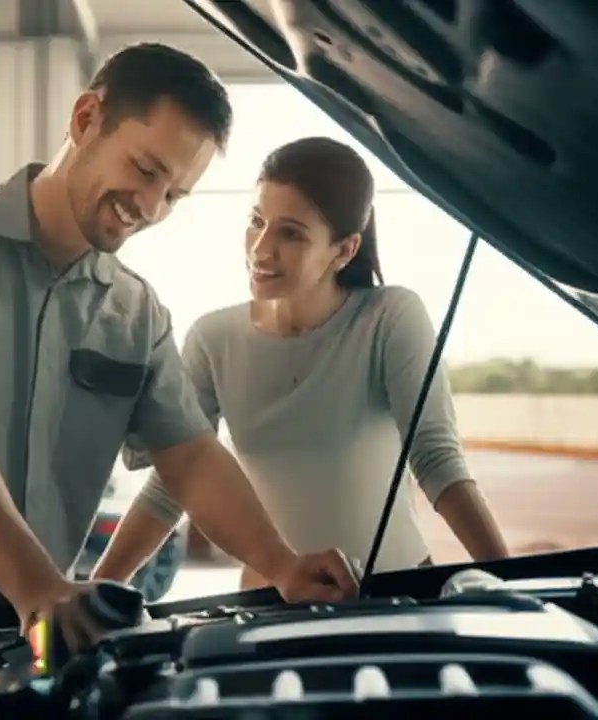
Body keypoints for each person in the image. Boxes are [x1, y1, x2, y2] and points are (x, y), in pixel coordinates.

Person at [0, 45, 360, 674]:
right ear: (85, 120)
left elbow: (190, 457)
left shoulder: (137, 313)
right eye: (144, 169)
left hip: (24, 626)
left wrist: (283, 566)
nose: (152, 206)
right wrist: (37, 587)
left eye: (175, 194)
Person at [91, 136, 511, 592]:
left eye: (290, 233)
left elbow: (436, 459)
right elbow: (174, 481)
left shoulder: (390, 317)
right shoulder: (213, 339)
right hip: (266, 601)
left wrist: (515, 583)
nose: (261, 249)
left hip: (394, 593)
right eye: (257, 222)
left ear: (344, 250)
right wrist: (98, 588)